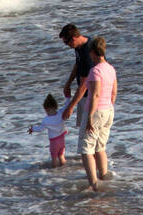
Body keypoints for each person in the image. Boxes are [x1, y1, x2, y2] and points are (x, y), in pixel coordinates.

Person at [75, 36, 117, 191]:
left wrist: (90, 118)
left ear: (92, 52)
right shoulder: (111, 68)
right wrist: (108, 107)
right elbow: (114, 93)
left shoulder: (95, 71)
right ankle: (103, 176)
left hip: (96, 111)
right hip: (108, 110)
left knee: (86, 149)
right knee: (100, 146)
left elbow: (95, 95)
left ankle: (94, 184)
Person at [59, 24, 93, 134]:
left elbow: (84, 86)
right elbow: (78, 65)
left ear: (73, 38)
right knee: (88, 138)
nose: (66, 45)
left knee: (87, 138)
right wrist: (68, 83)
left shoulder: (88, 52)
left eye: (66, 42)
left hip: (92, 97)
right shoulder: (79, 46)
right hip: (84, 96)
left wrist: (70, 107)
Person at [28, 93, 68, 167]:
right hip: (62, 140)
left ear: (47, 109)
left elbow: (40, 129)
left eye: (46, 111)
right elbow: (67, 106)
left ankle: (54, 172)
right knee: (61, 156)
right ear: (55, 106)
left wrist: (32, 129)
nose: (46, 113)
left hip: (54, 142)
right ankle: (64, 170)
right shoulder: (61, 112)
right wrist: (68, 98)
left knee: (54, 158)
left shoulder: (46, 120)